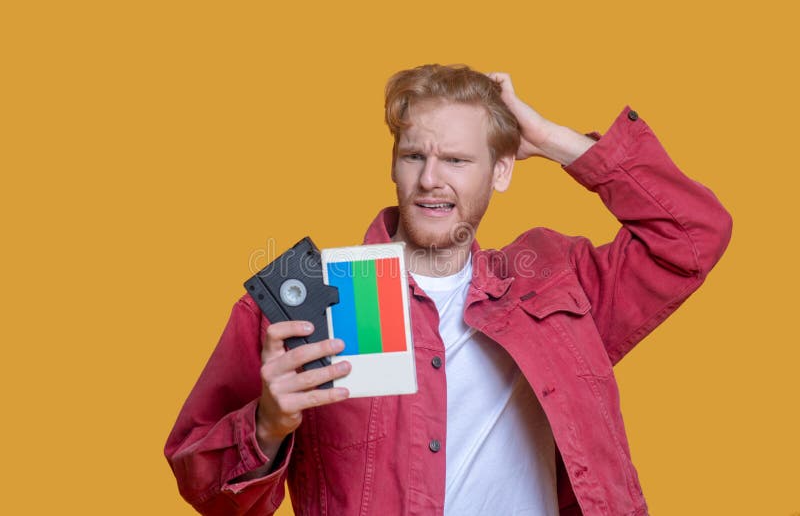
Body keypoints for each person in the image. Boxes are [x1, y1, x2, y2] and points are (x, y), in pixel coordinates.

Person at [165, 64, 732, 515]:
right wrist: (266, 426)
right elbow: (203, 487)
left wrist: (556, 142)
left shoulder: (559, 285)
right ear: (394, 165)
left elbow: (692, 238)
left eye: (457, 159)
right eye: (414, 156)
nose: (431, 179)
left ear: (502, 171)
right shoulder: (309, 300)